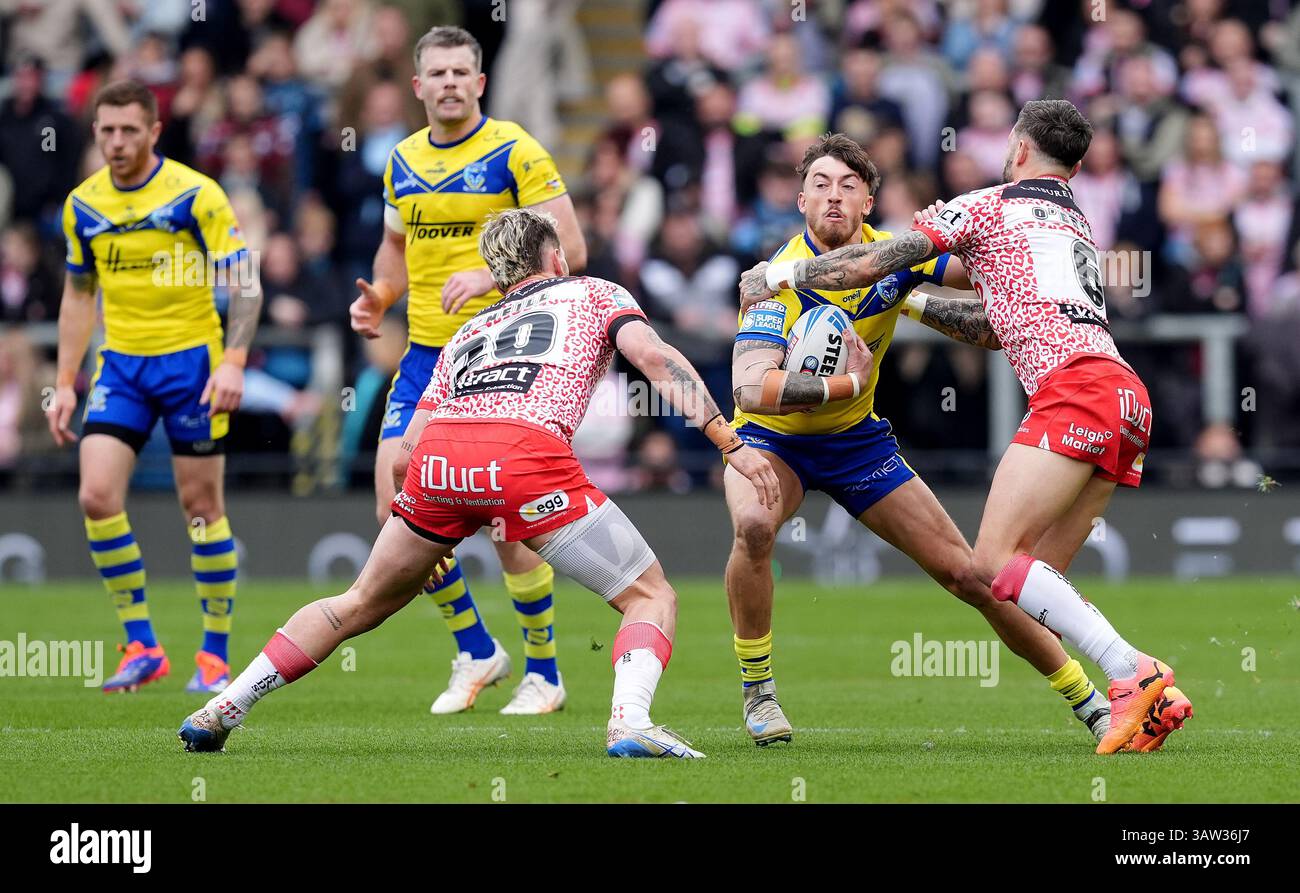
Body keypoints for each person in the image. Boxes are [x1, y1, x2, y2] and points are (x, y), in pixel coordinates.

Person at [179, 207, 779, 758]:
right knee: (650, 595)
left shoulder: (469, 329)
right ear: (556, 259)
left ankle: (222, 707)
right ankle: (628, 722)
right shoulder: (596, 292)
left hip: (438, 464)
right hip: (525, 452)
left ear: (498, 275)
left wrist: (416, 528)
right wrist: (730, 443)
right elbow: (655, 360)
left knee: (357, 603)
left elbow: (404, 454)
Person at [739, 101, 1193, 755]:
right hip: (1126, 397)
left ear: (1017, 148)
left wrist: (778, 273)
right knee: (1031, 579)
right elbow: (993, 326)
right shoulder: (1072, 219)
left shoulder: (988, 205)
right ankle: (1150, 700)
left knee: (991, 562)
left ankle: (1134, 672)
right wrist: (915, 299)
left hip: (1074, 393)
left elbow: (872, 263)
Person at [348, 26, 588, 716]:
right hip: (425, 354)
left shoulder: (514, 150)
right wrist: (382, 295)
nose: (450, 82)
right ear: (418, 85)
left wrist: (491, 272)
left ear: (479, 83)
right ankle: (476, 645)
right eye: (438, 73)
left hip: (502, 352)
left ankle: (544, 670)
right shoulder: (400, 160)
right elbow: (396, 248)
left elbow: (568, 244)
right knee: (395, 501)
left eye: (462, 72)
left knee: (507, 519)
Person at [46, 81, 262, 694]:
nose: (116, 143)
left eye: (129, 131)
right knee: (95, 495)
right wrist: (65, 382)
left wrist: (235, 361)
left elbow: (245, 284)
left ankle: (214, 655)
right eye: (106, 130)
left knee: (201, 510)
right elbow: (78, 295)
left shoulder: (197, 196)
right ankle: (142, 642)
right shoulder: (82, 206)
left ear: (154, 132)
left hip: (193, 367)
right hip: (122, 370)